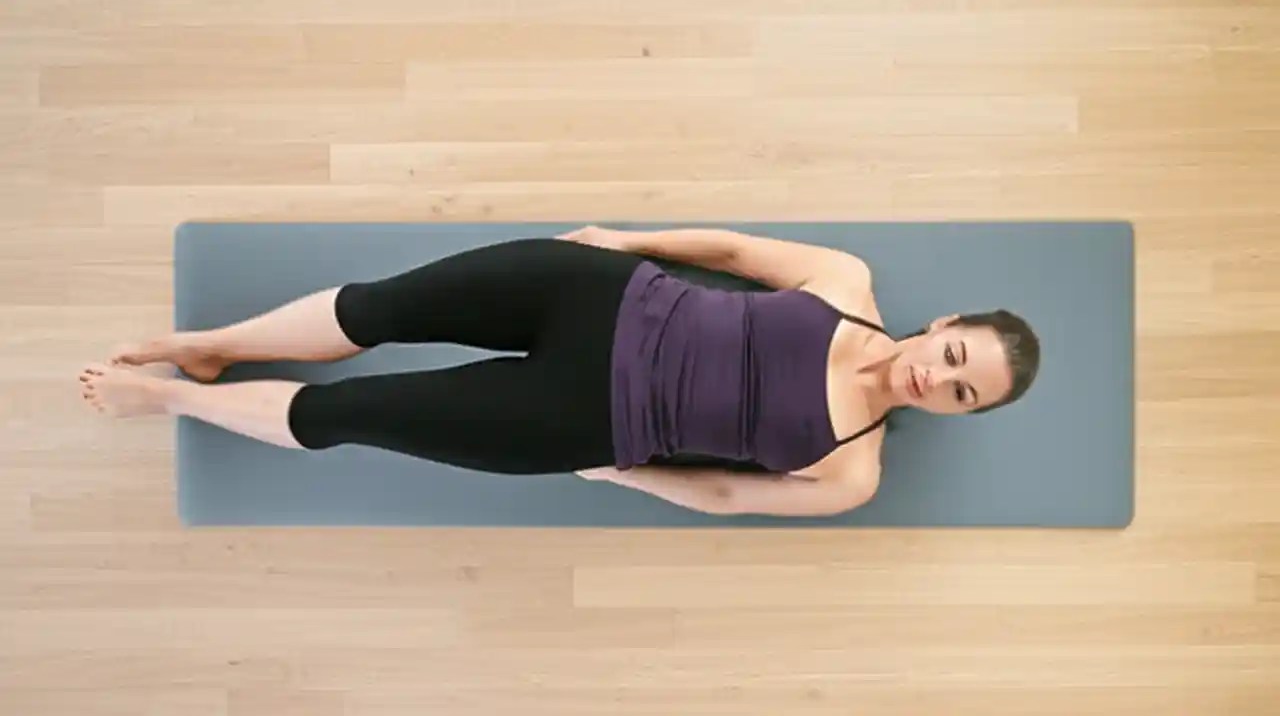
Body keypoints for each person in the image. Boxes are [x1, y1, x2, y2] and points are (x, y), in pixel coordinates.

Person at [78, 226, 1040, 517]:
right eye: (953, 356)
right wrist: (623, 239)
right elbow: (736, 252)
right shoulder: (846, 279)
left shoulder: (852, 474)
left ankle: (163, 396)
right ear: (944, 325)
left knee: (353, 417)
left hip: (578, 418)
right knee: (375, 310)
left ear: (960, 412)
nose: (935, 379)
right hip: (597, 295)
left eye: (962, 393)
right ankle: (205, 345)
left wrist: (629, 475)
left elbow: (729, 496)